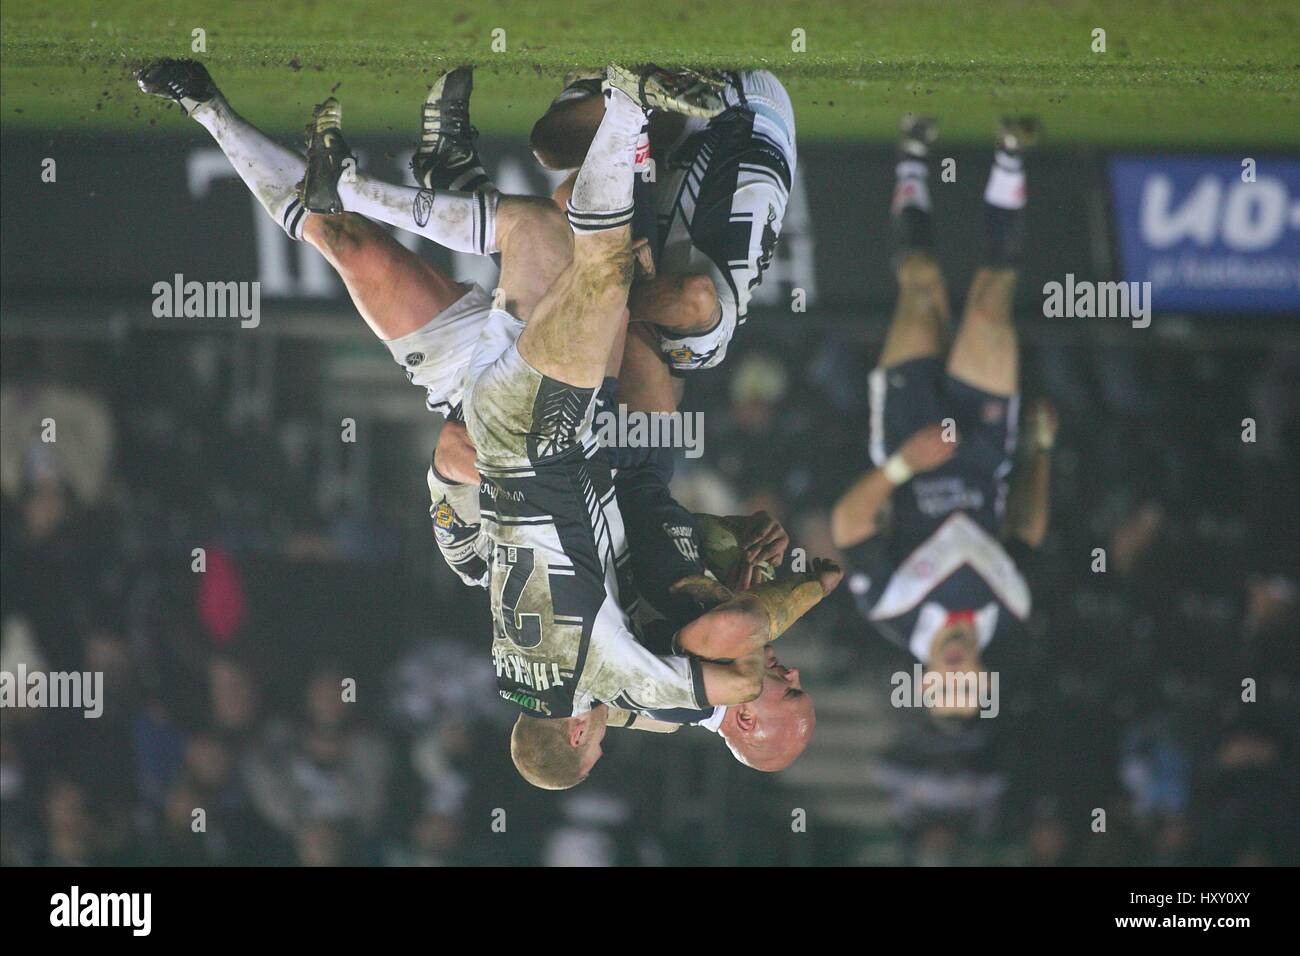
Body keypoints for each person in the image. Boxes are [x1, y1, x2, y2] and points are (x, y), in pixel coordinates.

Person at [829, 115, 1058, 717]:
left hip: (908, 436)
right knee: (990, 307)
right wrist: (1038, 452)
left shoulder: (891, 609)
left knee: (921, 287)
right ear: (985, 680)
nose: (956, 677)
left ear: (924, 682)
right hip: (984, 445)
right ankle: (1009, 152)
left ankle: (911, 152)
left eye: (942, 690)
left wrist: (905, 464)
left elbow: (848, 524)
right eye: (971, 690)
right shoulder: (1009, 608)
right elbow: (1027, 534)